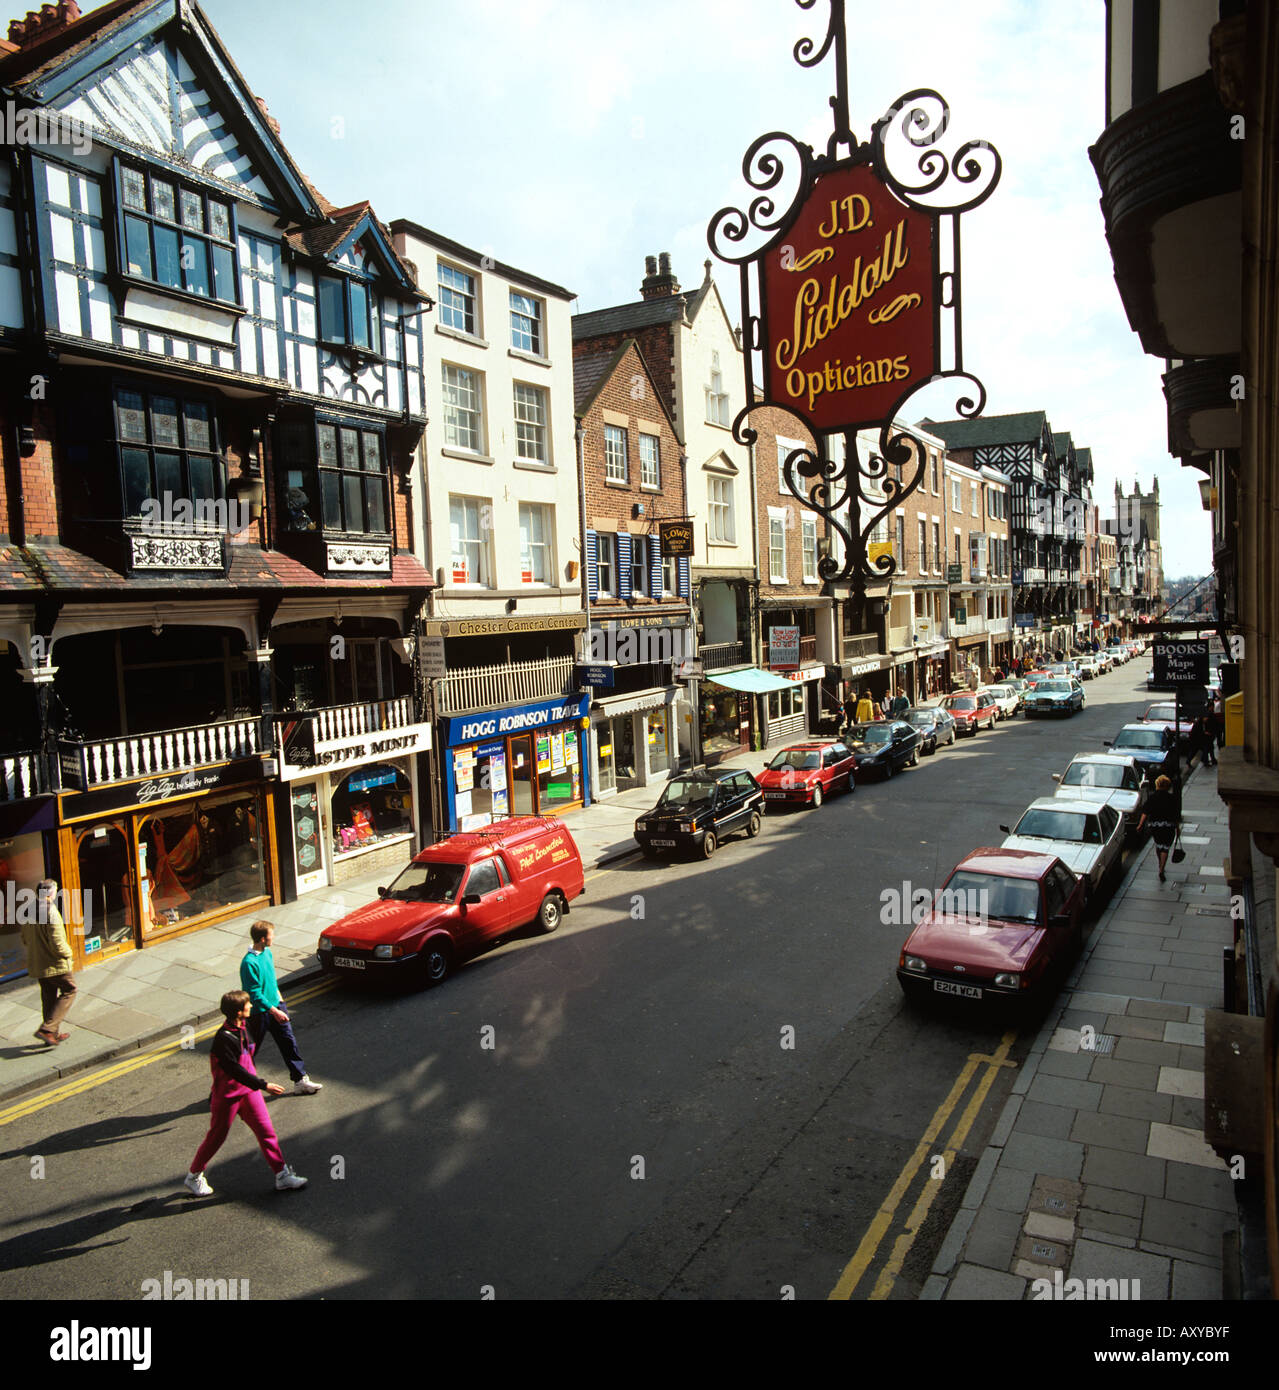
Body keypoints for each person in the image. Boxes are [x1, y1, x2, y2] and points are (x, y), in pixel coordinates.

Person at [185, 990, 307, 1197]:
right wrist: (263, 1084)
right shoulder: (224, 1038)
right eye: (248, 1005)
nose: (251, 1006)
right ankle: (194, 1176)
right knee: (217, 1136)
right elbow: (235, 1070)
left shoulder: (246, 1027)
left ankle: (282, 1175)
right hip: (228, 1095)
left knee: (266, 1132)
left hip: (248, 1092)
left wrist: (275, 1010)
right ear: (239, 1012)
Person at [240, 921, 322, 1094]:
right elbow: (254, 994)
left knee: (289, 1043)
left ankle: (300, 1081)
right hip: (259, 1014)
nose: (274, 937)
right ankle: (233, 1083)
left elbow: (270, 979)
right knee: (249, 1052)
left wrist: (280, 1001)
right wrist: (275, 1010)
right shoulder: (249, 963)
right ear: (263, 938)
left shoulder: (267, 953)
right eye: (271, 934)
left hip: (276, 1007)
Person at [20, 880, 76, 1046]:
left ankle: (51, 1035)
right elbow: (58, 943)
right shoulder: (51, 911)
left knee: (48, 996)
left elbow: (24, 938)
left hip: (38, 961)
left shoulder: (28, 910)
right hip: (55, 962)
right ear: (51, 893)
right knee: (70, 990)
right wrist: (69, 954)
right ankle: (47, 1029)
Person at [1140, 774, 1181, 883]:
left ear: (1157, 784)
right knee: (1165, 848)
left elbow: (1145, 812)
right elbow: (1176, 815)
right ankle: (1161, 869)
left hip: (1155, 826)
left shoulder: (1153, 797)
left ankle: (1160, 864)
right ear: (1168, 785)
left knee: (1159, 846)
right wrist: (1177, 828)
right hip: (1169, 826)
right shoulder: (1172, 798)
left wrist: (1140, 825)